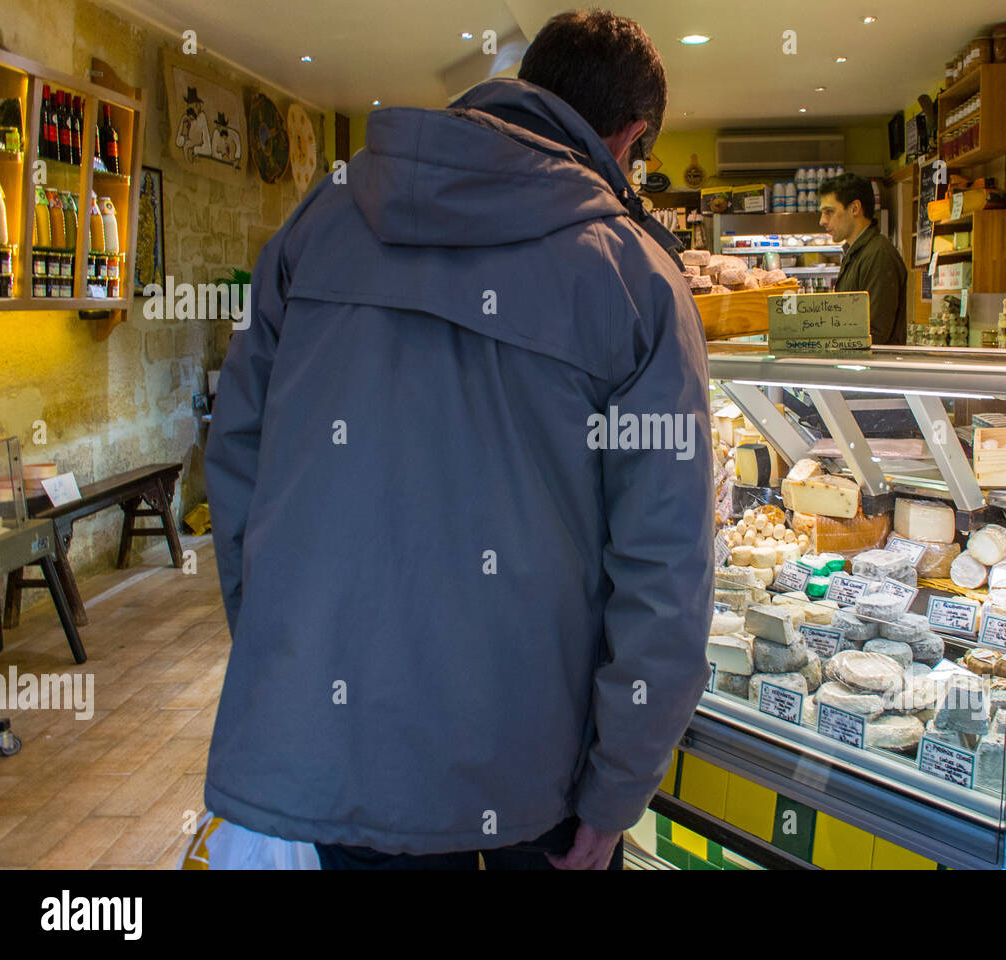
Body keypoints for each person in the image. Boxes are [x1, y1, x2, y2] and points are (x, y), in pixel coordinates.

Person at [203, 9, 713, 870]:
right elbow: (667, 573)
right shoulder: (638, 280)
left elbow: (237, 460)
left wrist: (285, 664)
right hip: (531, 783)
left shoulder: (317, 224)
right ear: (631, 139)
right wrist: (618, 789)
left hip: (329, 751)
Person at [818, 173, 907, 345]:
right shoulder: (857, 253)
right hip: (860, 367)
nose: (822, 221)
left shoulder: (878, 254)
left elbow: (875, 332)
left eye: (829, 212)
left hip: (874, 369)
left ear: (854, 209)